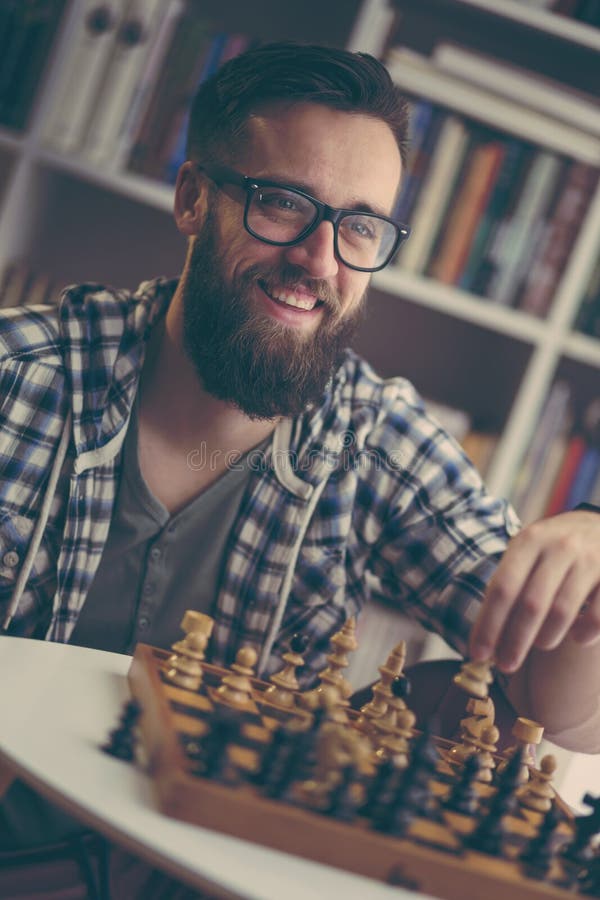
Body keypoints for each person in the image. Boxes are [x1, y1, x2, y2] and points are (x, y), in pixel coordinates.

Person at [0, 40, 598, 896]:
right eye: (284, 204)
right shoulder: (20, 377)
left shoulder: (377, 438)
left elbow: (570, 714)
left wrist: (586, 576)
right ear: (192, 198)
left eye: (359, 227)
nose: (320, 261)